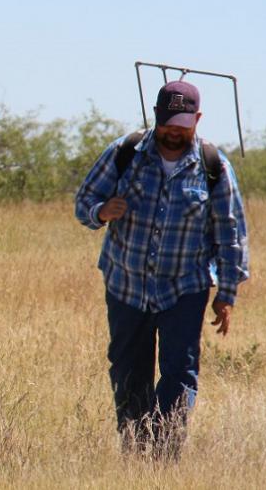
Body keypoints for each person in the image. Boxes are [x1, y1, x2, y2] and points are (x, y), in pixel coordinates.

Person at [74, 80, 249, 458]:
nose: (175, 132)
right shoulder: (125, 153)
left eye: (184, 125)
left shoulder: (213, 165)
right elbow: (84, 200)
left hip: (184, 288)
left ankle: (163, 456)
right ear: (157, 117)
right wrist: (101, 212)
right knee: (128, 371)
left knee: (179, 374)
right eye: (169, 123)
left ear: (197, 119)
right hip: (126, 285)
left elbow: (230, 232)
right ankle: (135, 450)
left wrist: (227, 294)